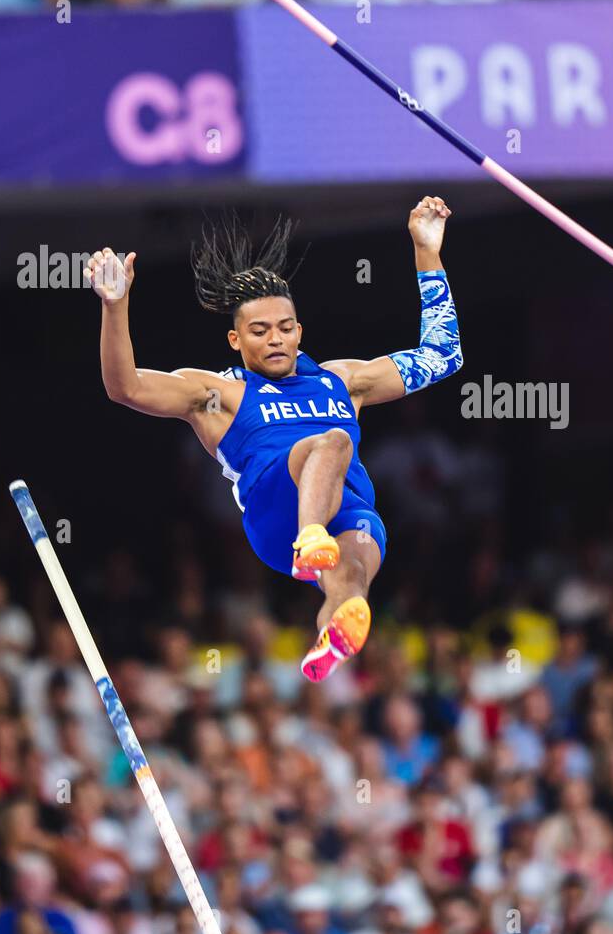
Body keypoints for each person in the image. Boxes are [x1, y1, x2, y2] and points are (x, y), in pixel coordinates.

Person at [84, 199, 463, 684]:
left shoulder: (340, 380)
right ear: (235, 340)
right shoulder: (218, 394)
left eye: (285, 328)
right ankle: (311, 540)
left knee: (351, 584)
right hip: (276, 513)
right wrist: (115, 308)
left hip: (346, 510)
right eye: (259, 332)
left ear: (300, 332)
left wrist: (426, 252)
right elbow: (126, 387)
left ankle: (329, 639)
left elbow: (441, 354)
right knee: (330, 442)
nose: (276, 339)